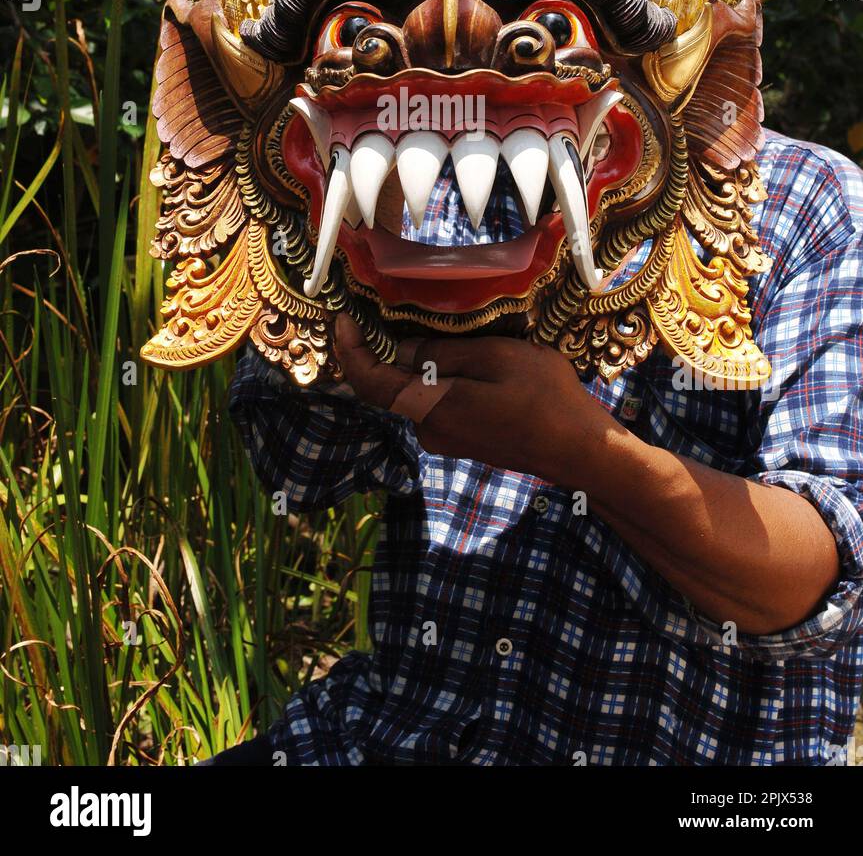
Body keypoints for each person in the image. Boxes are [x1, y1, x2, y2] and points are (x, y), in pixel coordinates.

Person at [205, 129, 863, 767]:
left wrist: (578, 453)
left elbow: (806, 585)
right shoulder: (433, 169)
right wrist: (344, 268)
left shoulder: (802, 200)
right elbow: (300, 464)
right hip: (386, 733)